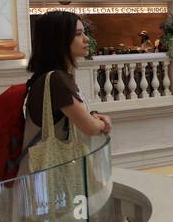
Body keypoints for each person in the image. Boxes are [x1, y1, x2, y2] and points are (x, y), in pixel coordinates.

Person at [24, 10, 113, 147]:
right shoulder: (56, 80)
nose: (86, 39)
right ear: (58, 39)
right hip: (53, 166)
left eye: (84, 33)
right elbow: (90, 128)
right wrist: (103, 123)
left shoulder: (49, 76)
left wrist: (93, 116)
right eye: (78, 34)